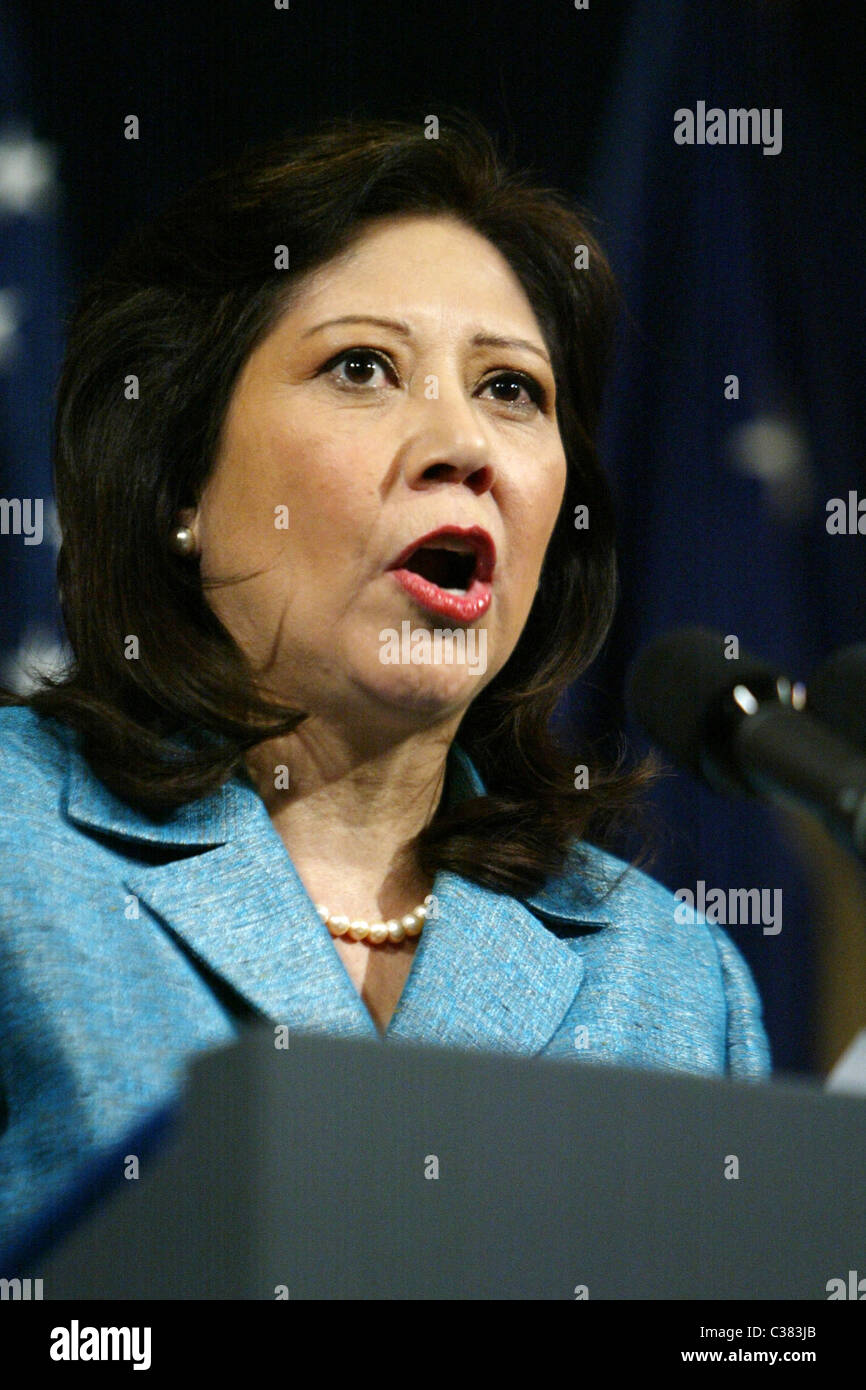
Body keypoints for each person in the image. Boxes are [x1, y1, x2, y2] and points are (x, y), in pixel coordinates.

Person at [0, 112, 770, 1251]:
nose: (462, 441)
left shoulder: (667, 980)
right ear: (181, 483)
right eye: (361, 367)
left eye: (511, 390)